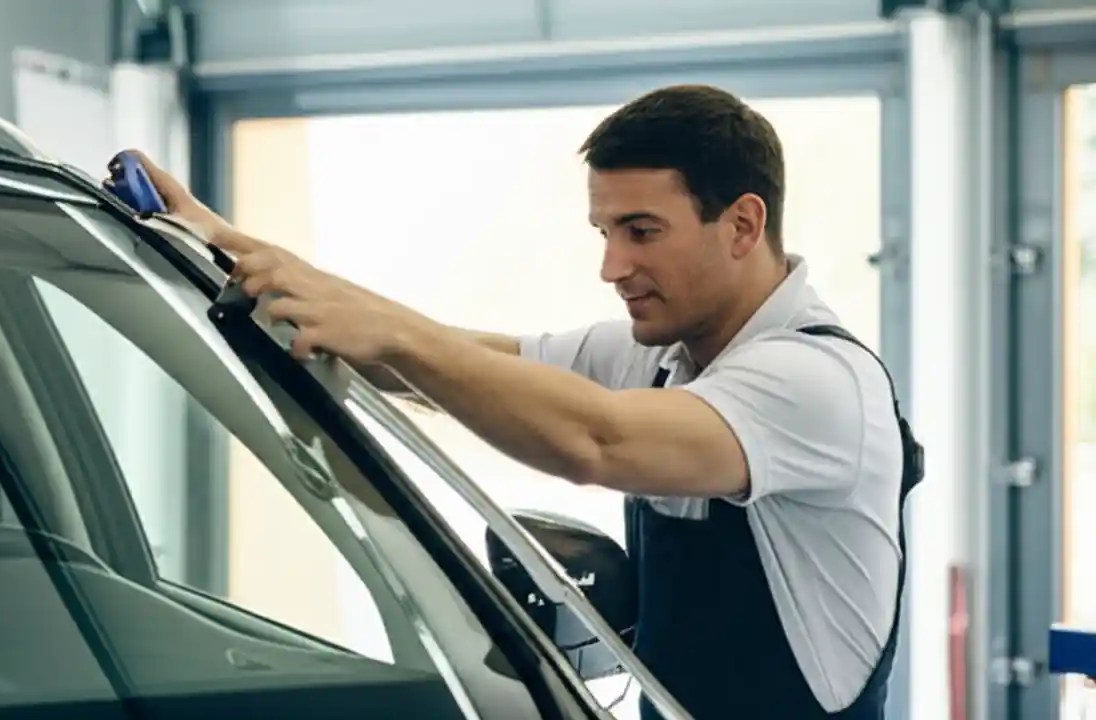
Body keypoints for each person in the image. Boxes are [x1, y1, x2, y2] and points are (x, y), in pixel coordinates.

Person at [122, 83, 924, 719]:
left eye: (641, 231)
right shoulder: (660, 357)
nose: (612, 266)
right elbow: (449, 358)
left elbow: (596, 441)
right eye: (603, 231)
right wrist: (217, 241)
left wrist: (395, 339)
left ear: (744, 224)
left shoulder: (815, 385)